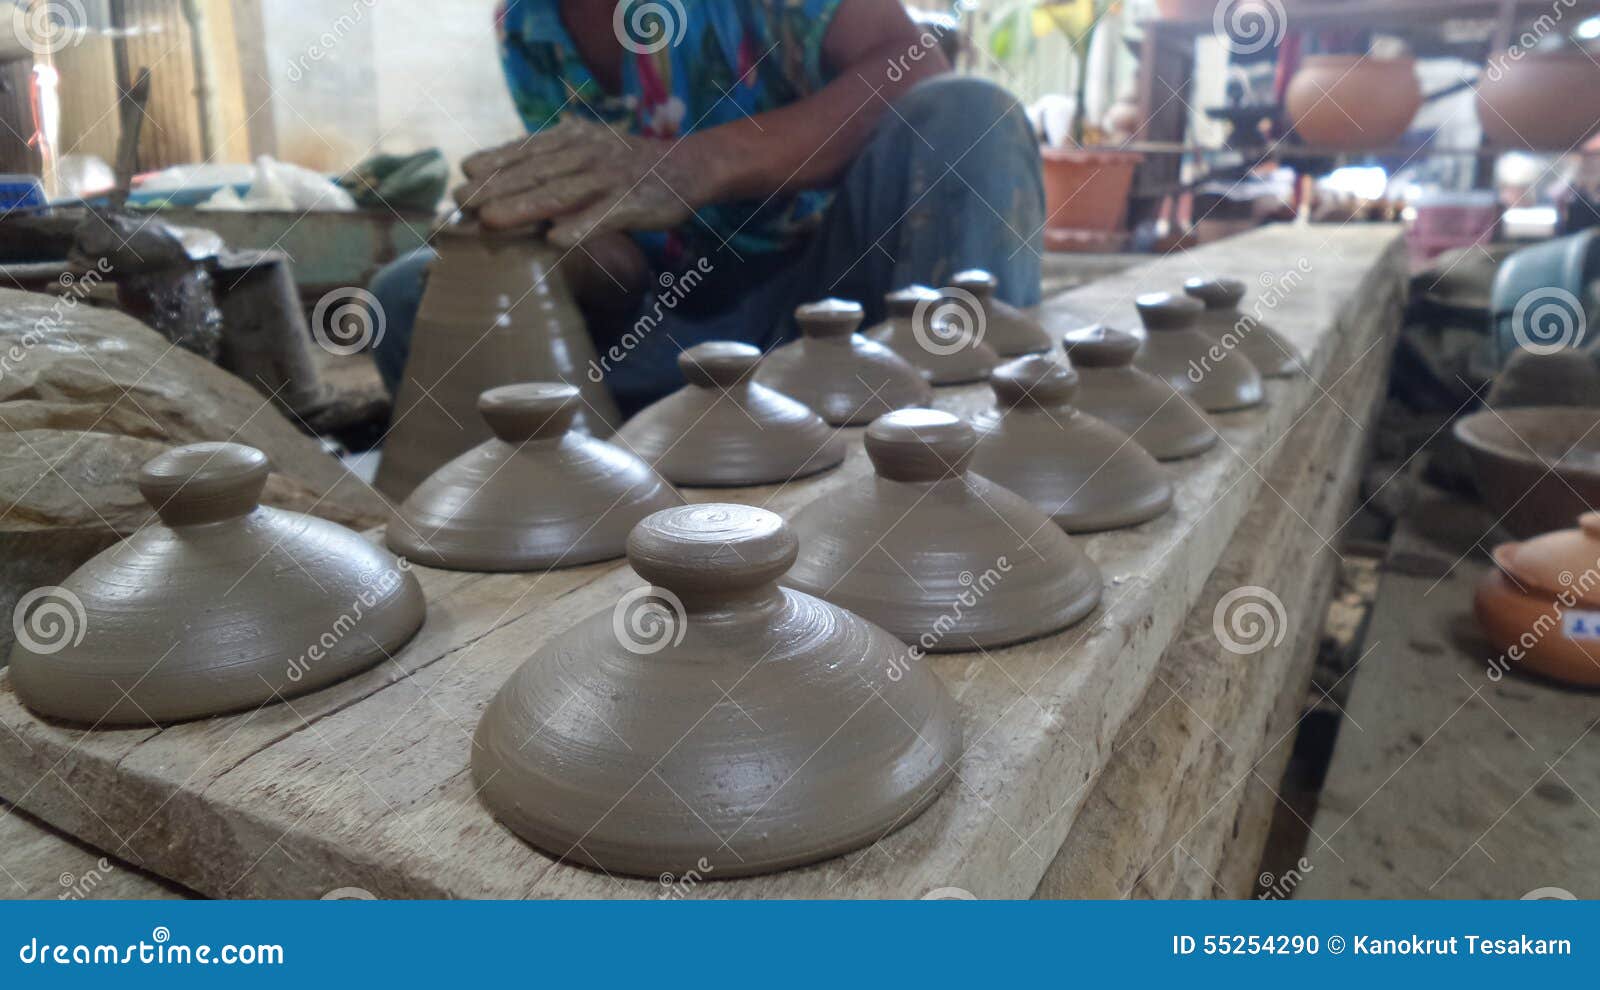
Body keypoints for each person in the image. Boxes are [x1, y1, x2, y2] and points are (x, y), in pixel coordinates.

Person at [371, 0, 1044, 414]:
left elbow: (912, 59)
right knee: (414, 295)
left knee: (969, 115)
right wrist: (552, 243)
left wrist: (695, 164)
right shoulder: (528, 22)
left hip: (844, 291)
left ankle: (960, 450)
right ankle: (575, 494)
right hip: (681, 323)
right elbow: (621, 256)